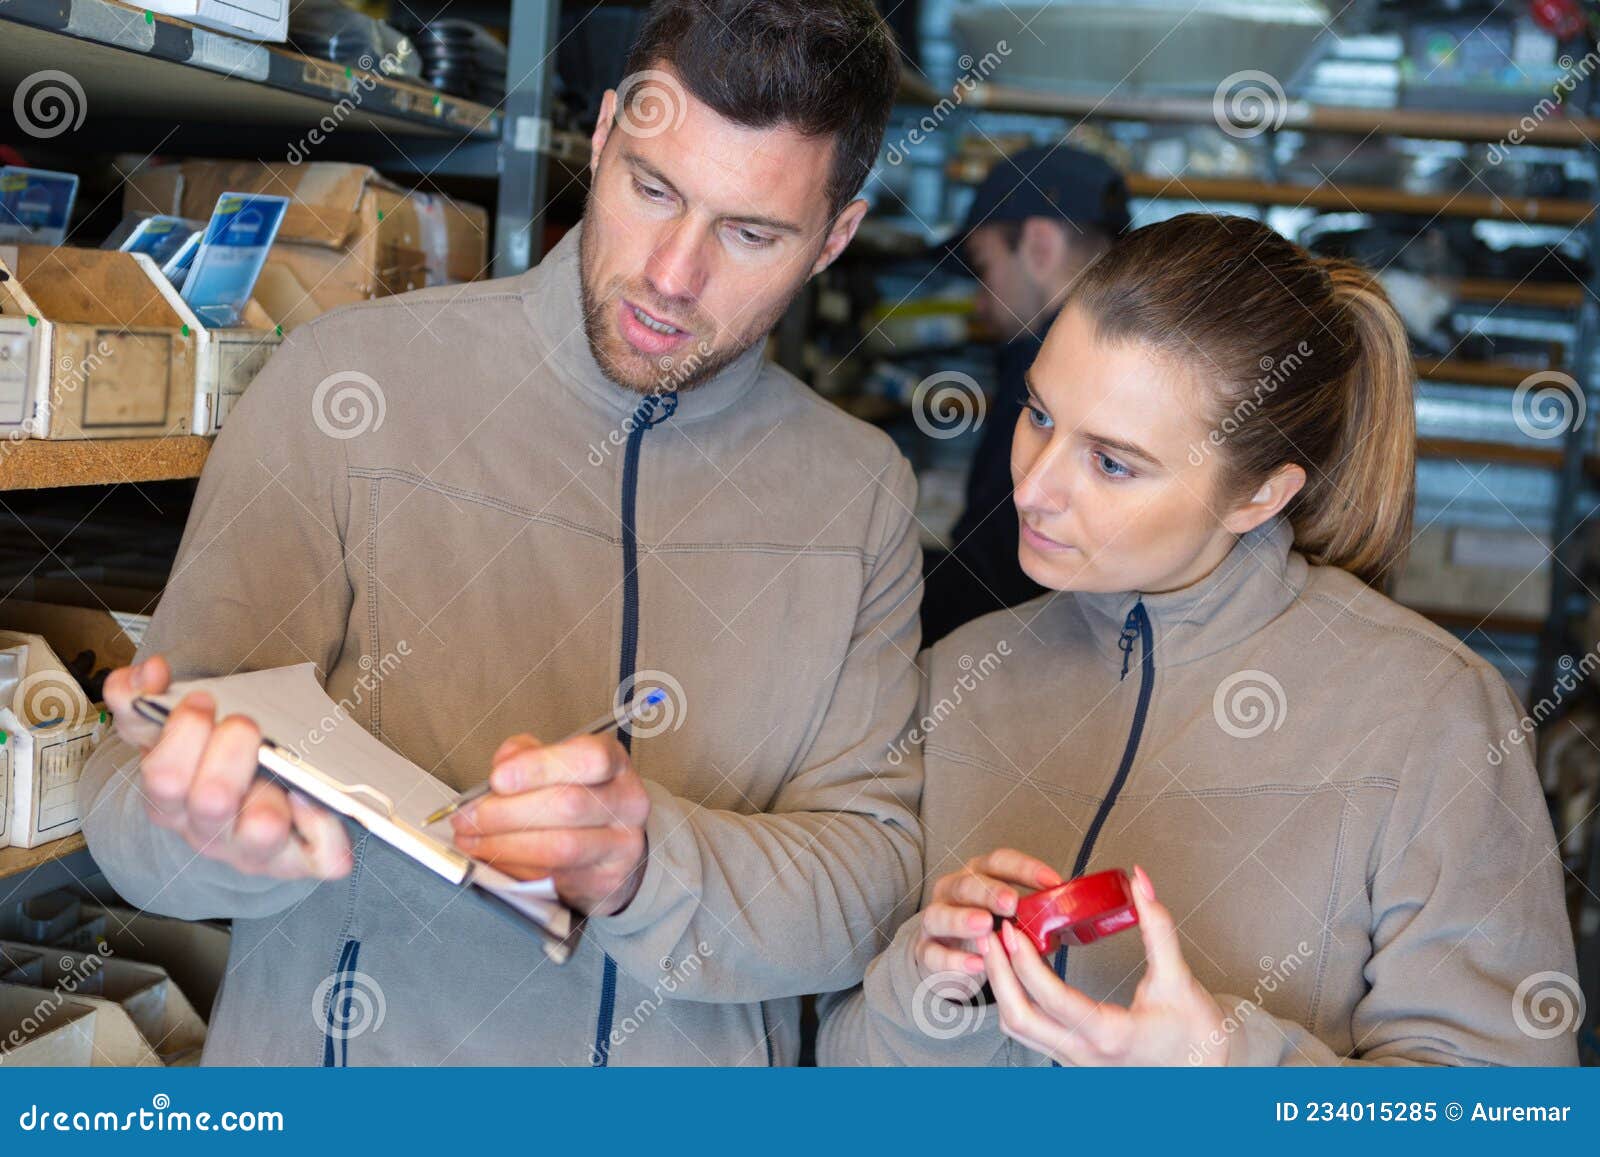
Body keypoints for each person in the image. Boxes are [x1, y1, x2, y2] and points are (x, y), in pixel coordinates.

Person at [82, 0, 924, 1067]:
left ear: (833, 239)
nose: (672, 273)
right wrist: (198, 836)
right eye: (651, 188)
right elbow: (129, 787)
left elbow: (869, 881)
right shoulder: (347, 385)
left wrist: (646, 865)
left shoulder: (858, 492)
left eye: (749, 232)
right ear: (607, 131)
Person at [819, 212, 1580, 1066]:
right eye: (1037, 414)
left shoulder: (1433, 714)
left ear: (1258, 496)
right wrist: (918, 992)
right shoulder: (957, 673)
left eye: (1112, 462)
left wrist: (1221, 1066)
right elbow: (844, 1063)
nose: (1032, 488)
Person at [921, 145, 1128, 646]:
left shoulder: (1044, 368)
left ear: (1038, 246)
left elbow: (989, 579)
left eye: (982, 267)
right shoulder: (1129, 357)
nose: (980, 302)